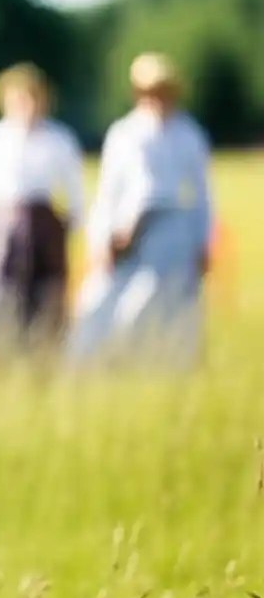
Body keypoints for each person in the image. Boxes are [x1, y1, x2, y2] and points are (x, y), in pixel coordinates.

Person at [68, 53, 213, 369]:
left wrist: (203, 242)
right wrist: (101, 239)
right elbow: (108, 192)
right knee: (103, 299)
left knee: (161, 302)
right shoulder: (124, 134)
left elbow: (202, 196)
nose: (156, 98)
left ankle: (165, 367)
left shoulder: (189, 135)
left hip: (171, 231)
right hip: (125, 231)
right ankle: (99, 365)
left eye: (162, 90)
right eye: (149, 91)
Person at [0, 63, 85, 379]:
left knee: (47, 300)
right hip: (2, 231)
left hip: (44, 231)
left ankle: (44, 368)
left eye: (32, 98)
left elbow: (74, 192)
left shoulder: (59, 140)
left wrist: (72, 228)